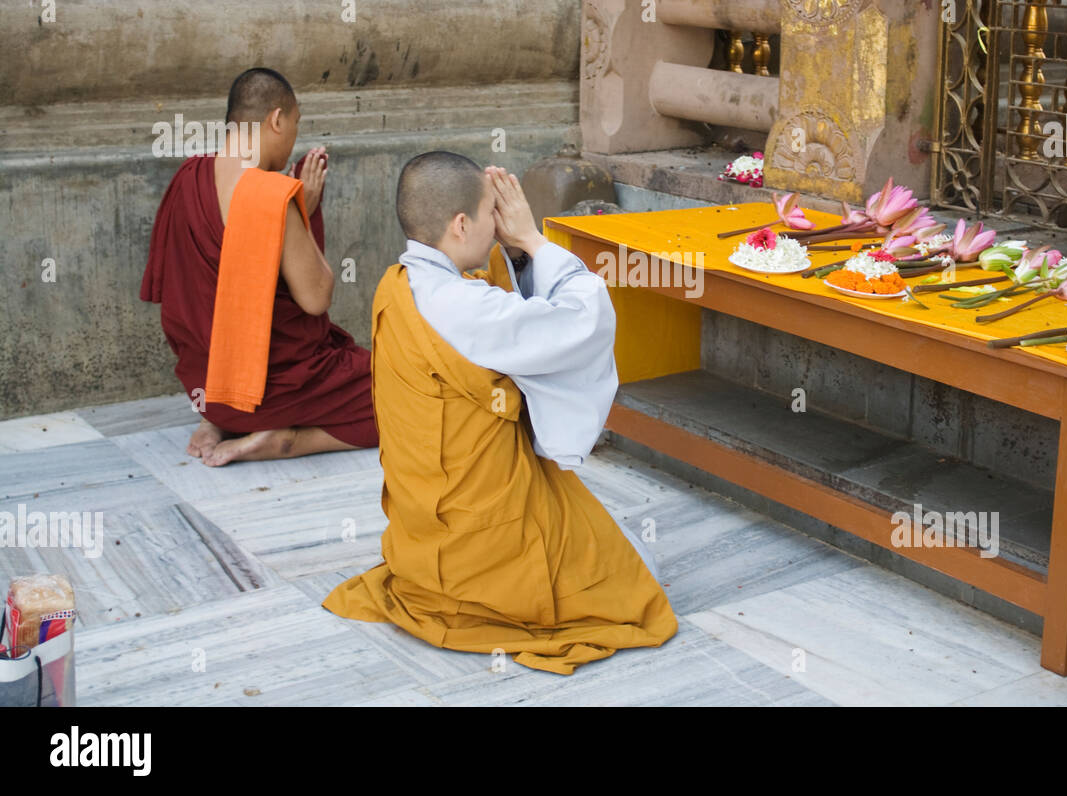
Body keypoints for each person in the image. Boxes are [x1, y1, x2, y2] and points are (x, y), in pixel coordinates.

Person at [322, 152, 676, 674]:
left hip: (422, 522)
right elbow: (585, 321)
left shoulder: (398, 284)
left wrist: (514, 251)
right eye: (492, 214)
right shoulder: (464, 306)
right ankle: (490, 585)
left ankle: (441, 570)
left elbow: (499, 324)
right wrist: (533, 240)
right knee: (630, 595)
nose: (499, 226)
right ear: (461, 223)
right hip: (482, 523)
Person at [139, 67, 378, 467]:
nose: (292, 139)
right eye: (295, 125)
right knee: (405, 397)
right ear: (277, 119)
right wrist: (301, 212)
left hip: (209, 389)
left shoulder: (187, 177)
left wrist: (298, 214)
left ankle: (218, 423)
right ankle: (287, 441)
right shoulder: (271, 196)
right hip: (268, 394)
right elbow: (316, 298)